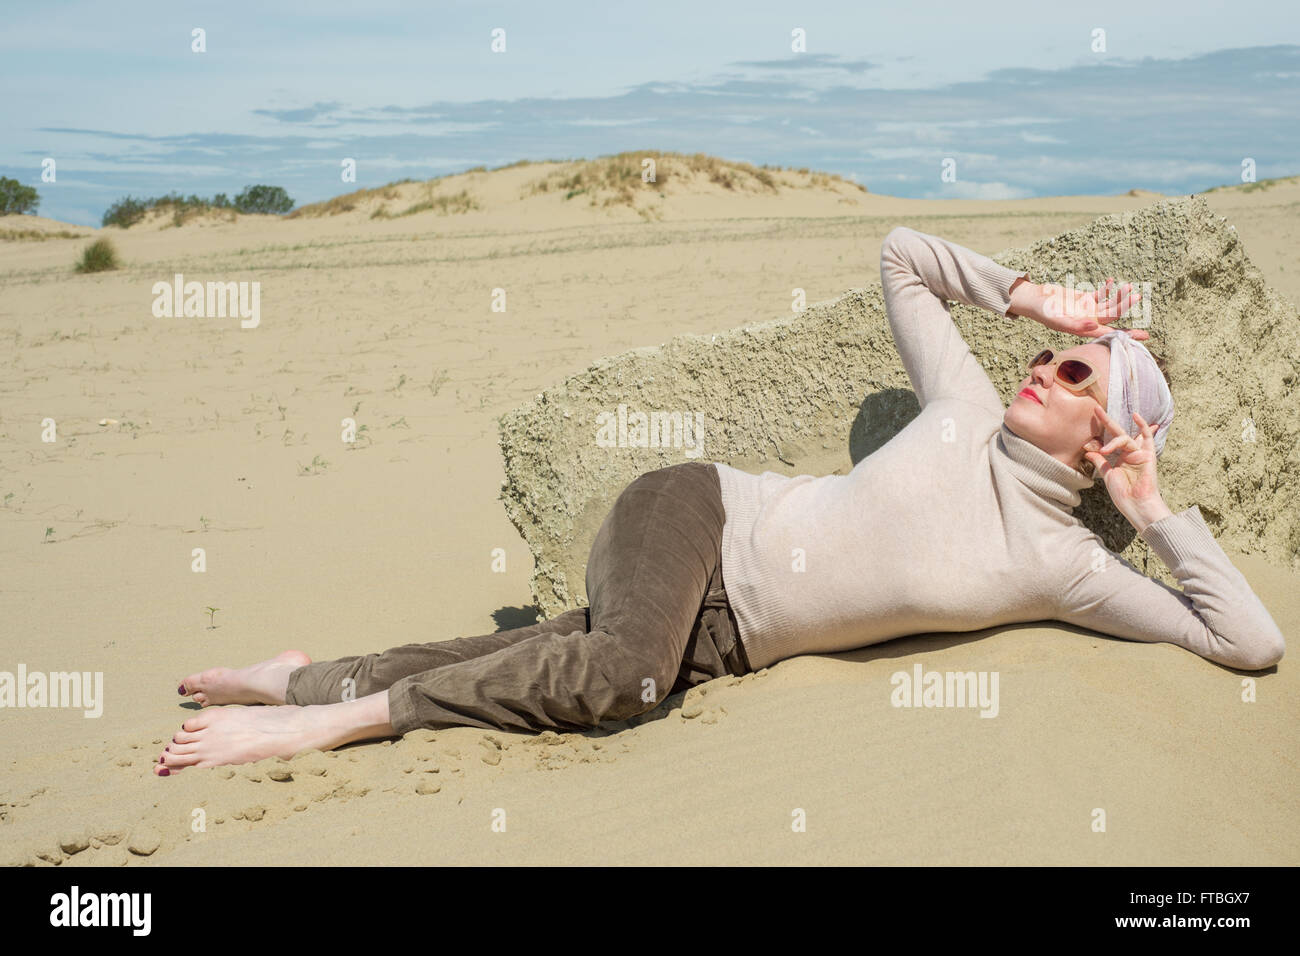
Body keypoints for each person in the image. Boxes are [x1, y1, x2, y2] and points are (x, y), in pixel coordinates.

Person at [154, 226, 1285, 775]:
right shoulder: (961, 407)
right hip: (696, 514)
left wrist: (1149, 511)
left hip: (727, 638)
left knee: (540, 653)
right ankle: (325, 724)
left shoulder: (1067, 568)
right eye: (1053, 357)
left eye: (1078, 373)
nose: (1048, 369)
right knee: (615, 672)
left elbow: (1246, 642)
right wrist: (1044, 303)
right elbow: (901, 255)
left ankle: (300, 674)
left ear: (1106, 434)